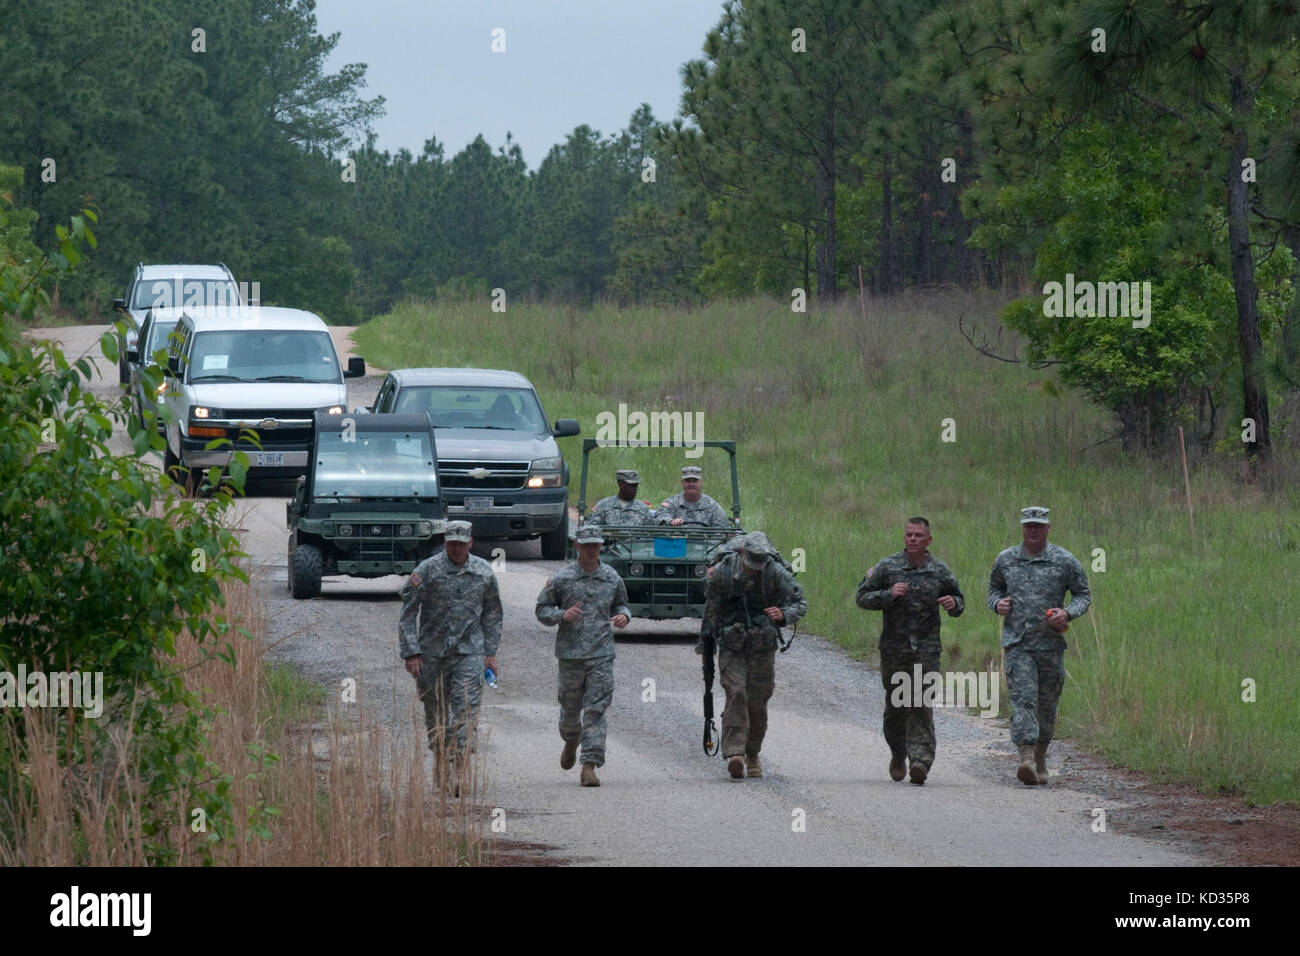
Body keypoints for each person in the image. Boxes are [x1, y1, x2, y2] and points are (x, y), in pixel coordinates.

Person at [987, 506, 1092, 786]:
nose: (1033, 530)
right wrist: (998, 604)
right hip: (1018, 643)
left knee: (1047, 705)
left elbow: (1083, 594)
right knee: (1024, 700)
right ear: (1022, 528)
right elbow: (993, 589)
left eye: (1038, 526)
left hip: (1050, 645)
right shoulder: (1006, 559)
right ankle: (1026, 758)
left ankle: (1041, 756)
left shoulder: (1064, 560)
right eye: (1028, 526)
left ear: (1047, 528)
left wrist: (1067, 613)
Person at [855, 517, 965, 785]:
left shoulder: (939, 570)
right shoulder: (888, 567)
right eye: (909, 534)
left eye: (918, 535)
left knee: (920, 703)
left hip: (926, 649)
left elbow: (959, 601)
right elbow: (862, 597)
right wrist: (888, 594)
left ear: (928, 540)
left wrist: (953, 603)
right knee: (896, 706)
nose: (913, 539)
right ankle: (898, 753)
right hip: (894, 648)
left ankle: (921, 762)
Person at [398, 520, 503, 793]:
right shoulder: (427, 570)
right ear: (445, 543)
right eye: (451, 543)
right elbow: (408, 613)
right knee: (436, 715)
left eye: (461, 543)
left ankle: (460, 769)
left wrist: (490, 653)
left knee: (465, 713)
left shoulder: (483, 572)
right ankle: (441, 761)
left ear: (470, 542)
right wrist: (411, 652)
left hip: (470, 652)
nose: (456, 548)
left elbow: (493, 613)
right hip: (431, 655)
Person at [701, 532, 807, 779]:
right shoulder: (723, 573)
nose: (754, 569)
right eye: (751, 563)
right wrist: (705, 648)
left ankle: (753, 752)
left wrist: (783, 613)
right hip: (732, 645)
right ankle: (734, 753)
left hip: (762, 646)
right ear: (741, 554)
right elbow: (711, 612)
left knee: (757, 701)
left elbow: (800, 603)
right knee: (736, 692)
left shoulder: (775, 573)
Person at [534, 524, 631, 787]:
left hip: (601, 653)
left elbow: (621, 603)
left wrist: (624, 616)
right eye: (586, 546)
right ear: (577, 547)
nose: (590, 550)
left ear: (601, 547)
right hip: (570, 655)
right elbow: (541, 609)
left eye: (595, 546)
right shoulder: (562, 578)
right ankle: (570, 740)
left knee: (596, 711)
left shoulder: (611, 577)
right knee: (569, 710)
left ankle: (589, 766)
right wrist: (561, 615)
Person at [655, 465, 731, 527]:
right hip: (677, 544)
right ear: (682, 482)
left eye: (694, 481)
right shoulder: (672, 502)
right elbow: (660, 517)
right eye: (687, 481)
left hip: (706, 545)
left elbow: (722, 531)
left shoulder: (712, 506)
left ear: (701, 482)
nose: (691, 484)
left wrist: (710, 545)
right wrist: (671, 522)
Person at [587, 469, 652, 527]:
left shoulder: (643, 509)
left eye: (636, 486)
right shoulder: (603, 505)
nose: (634, 489)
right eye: (631, 485)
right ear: (620, 484)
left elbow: (650, 535)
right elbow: (591, 529)